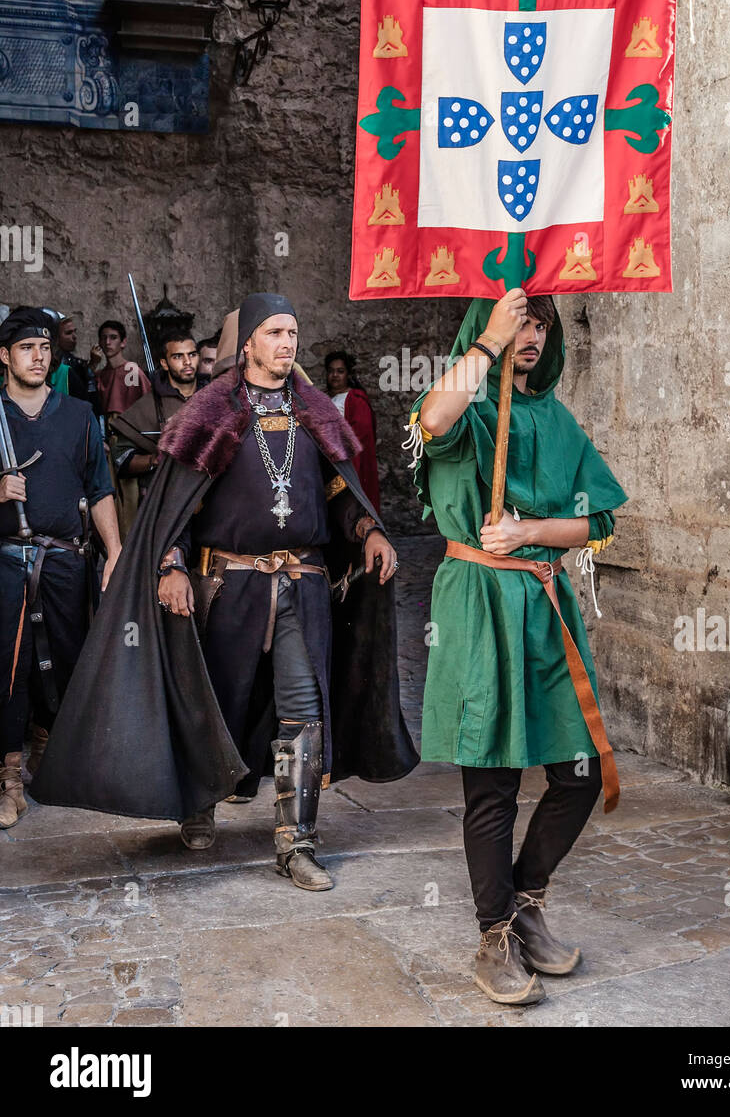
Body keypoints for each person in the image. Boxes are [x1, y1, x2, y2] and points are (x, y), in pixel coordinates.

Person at [33, 293, 418, 888]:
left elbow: (339, 494)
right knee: (217, 699)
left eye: (293, 332)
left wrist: (368, 530)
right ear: (248, 345)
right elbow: (175, 508)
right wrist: (170, 565)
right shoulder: (211, 413)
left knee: (304, 708)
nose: (287, 343)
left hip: (303, 582)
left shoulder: (315, 412)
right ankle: (200, 799)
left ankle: (298, 841)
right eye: (275, 333)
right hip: (228, 585)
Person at [407, 290, 627, 1005]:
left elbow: (600, 522)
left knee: (580, 771)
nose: (532, 335)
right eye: (520, 322)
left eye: (541, 325)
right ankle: (493, 932)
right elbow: (430, 419)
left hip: (543, 601)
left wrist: (533, 531)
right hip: (478, 602)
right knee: (494, 779)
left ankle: (527, 900)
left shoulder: (558, 419)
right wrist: (488, 344)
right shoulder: (467, 409)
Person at [0, 308, 120, 828]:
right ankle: (8, 775)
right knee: (9, 666)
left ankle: (52, 751)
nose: (38, 356)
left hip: (66, 559)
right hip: (6, 558)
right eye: (27, 348)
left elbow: (100, 488)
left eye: (45, 348)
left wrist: (115, 552)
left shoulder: (76, 416)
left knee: (66, 656)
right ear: (5, 356)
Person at [109, 333, 202, 506]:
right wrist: (156, 459)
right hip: (166, 501)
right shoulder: (148, 406)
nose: (187, 362)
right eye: (177, 356)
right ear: (164, 363)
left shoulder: (215, 396)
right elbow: (121, 459)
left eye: (192, 354)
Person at [325, 349, 381, 512]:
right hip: (326, 463)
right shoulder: (325, 399)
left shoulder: (355, 399)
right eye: (331, 371)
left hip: (346, 463)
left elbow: (359, 436)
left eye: (340, 371)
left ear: (348, 374)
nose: (335, 375)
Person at [92, 319, 151, 416]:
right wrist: (93, 363)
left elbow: (142, 407)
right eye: (104, 338)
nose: (107, 342)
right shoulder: (99, 375)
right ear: (99, 342)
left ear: (123, 342)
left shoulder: (131, 371)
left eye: (113, 338)